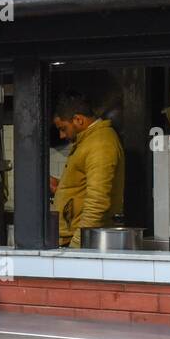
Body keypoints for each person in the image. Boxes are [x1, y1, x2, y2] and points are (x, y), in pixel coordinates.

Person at [52, 92, 125, 248]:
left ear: (78, 119)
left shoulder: (100, 143)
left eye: (63, 128)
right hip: (75, 238)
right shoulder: (88, 140)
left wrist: (78, 244)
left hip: (83, 242)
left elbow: (97, 201)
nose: (61, 135)